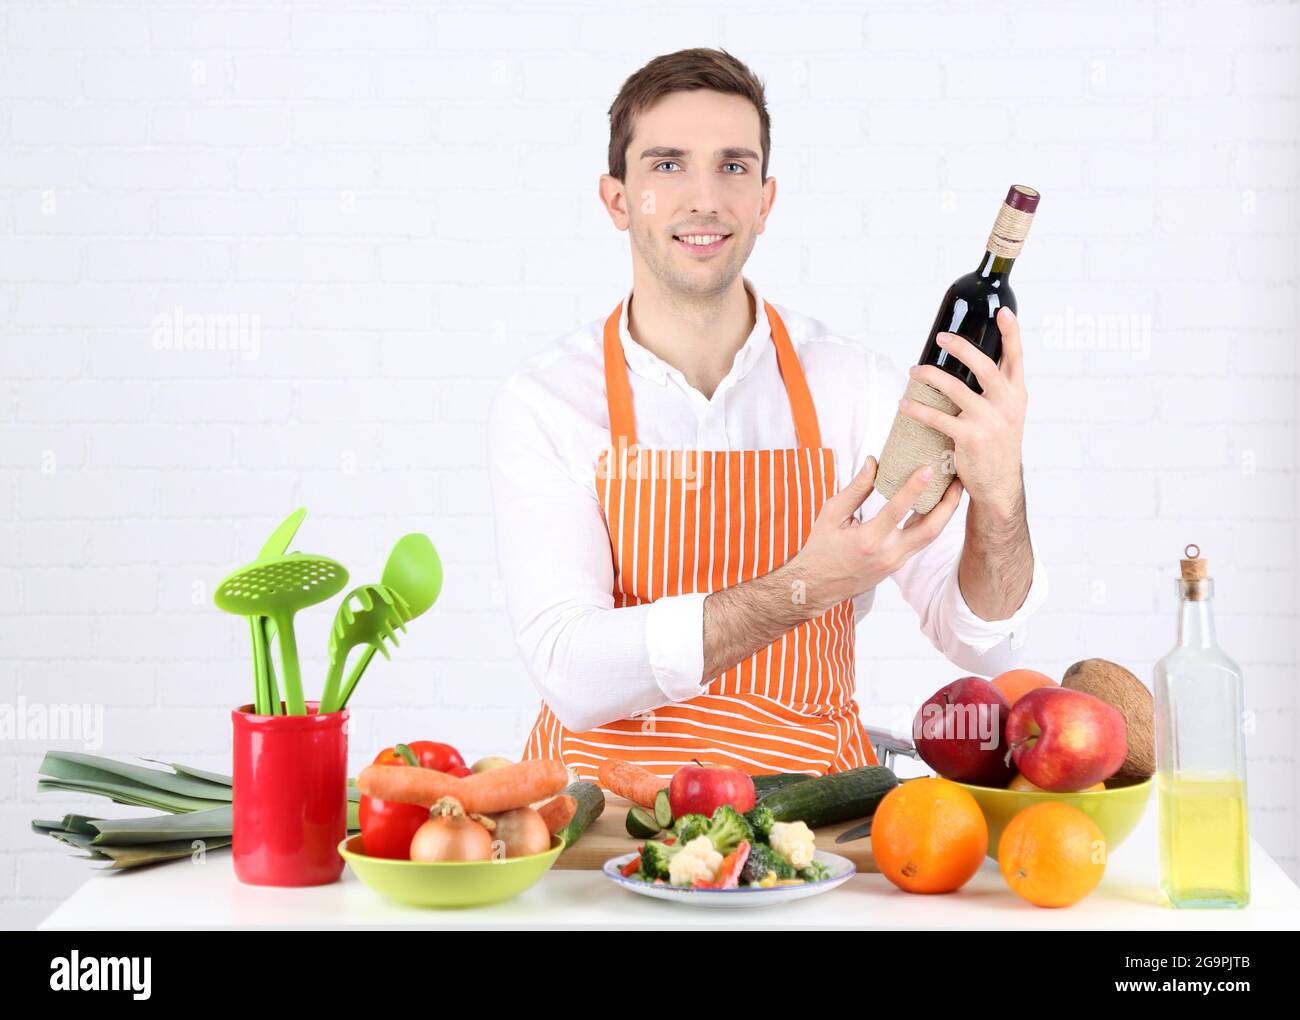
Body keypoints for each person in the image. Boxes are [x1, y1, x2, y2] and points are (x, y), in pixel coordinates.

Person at [488, 48, 1046, 780]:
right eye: (666, 165)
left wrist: (1001, 498)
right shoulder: (550, 403)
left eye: (732, 166)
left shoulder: (859, 389)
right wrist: (805, 589)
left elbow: (987, 646)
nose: (705, 198)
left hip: (812, 832)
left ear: (765, 200)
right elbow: (572, 671)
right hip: (604, 821)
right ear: (617, 199)